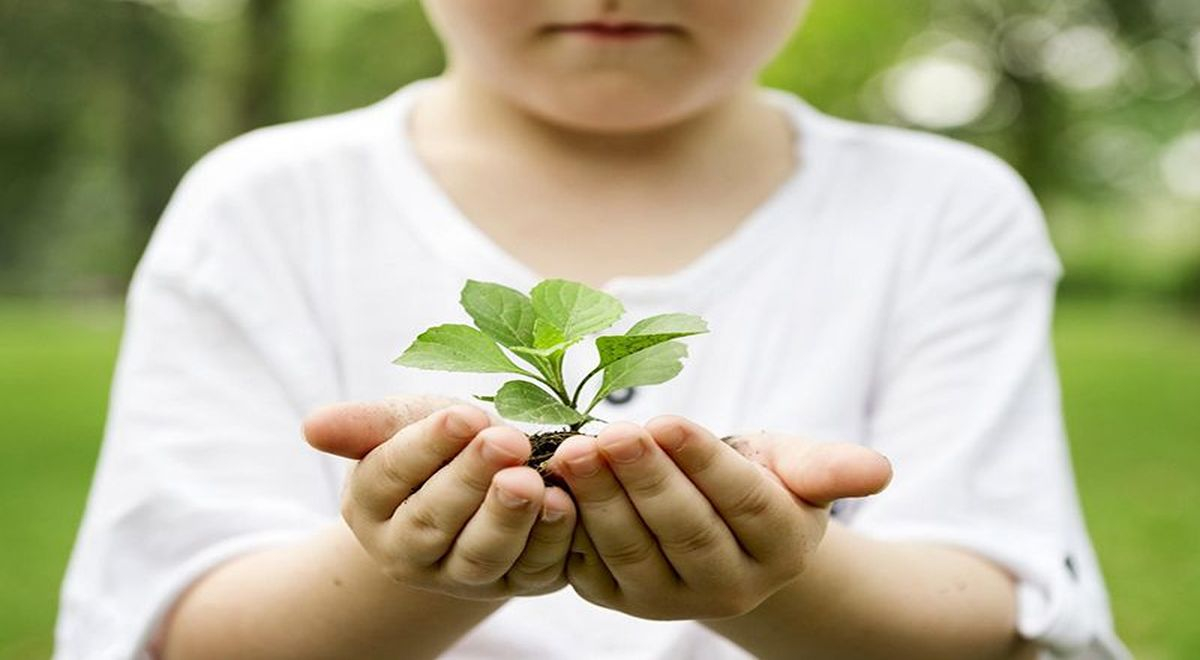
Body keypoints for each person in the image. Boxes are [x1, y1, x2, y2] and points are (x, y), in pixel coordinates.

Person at [55, 1, 1130, 658]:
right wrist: (407, 563)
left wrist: (787, 569)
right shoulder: (263, 204)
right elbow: (187, 621)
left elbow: (985, 610)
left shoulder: (943, 209)